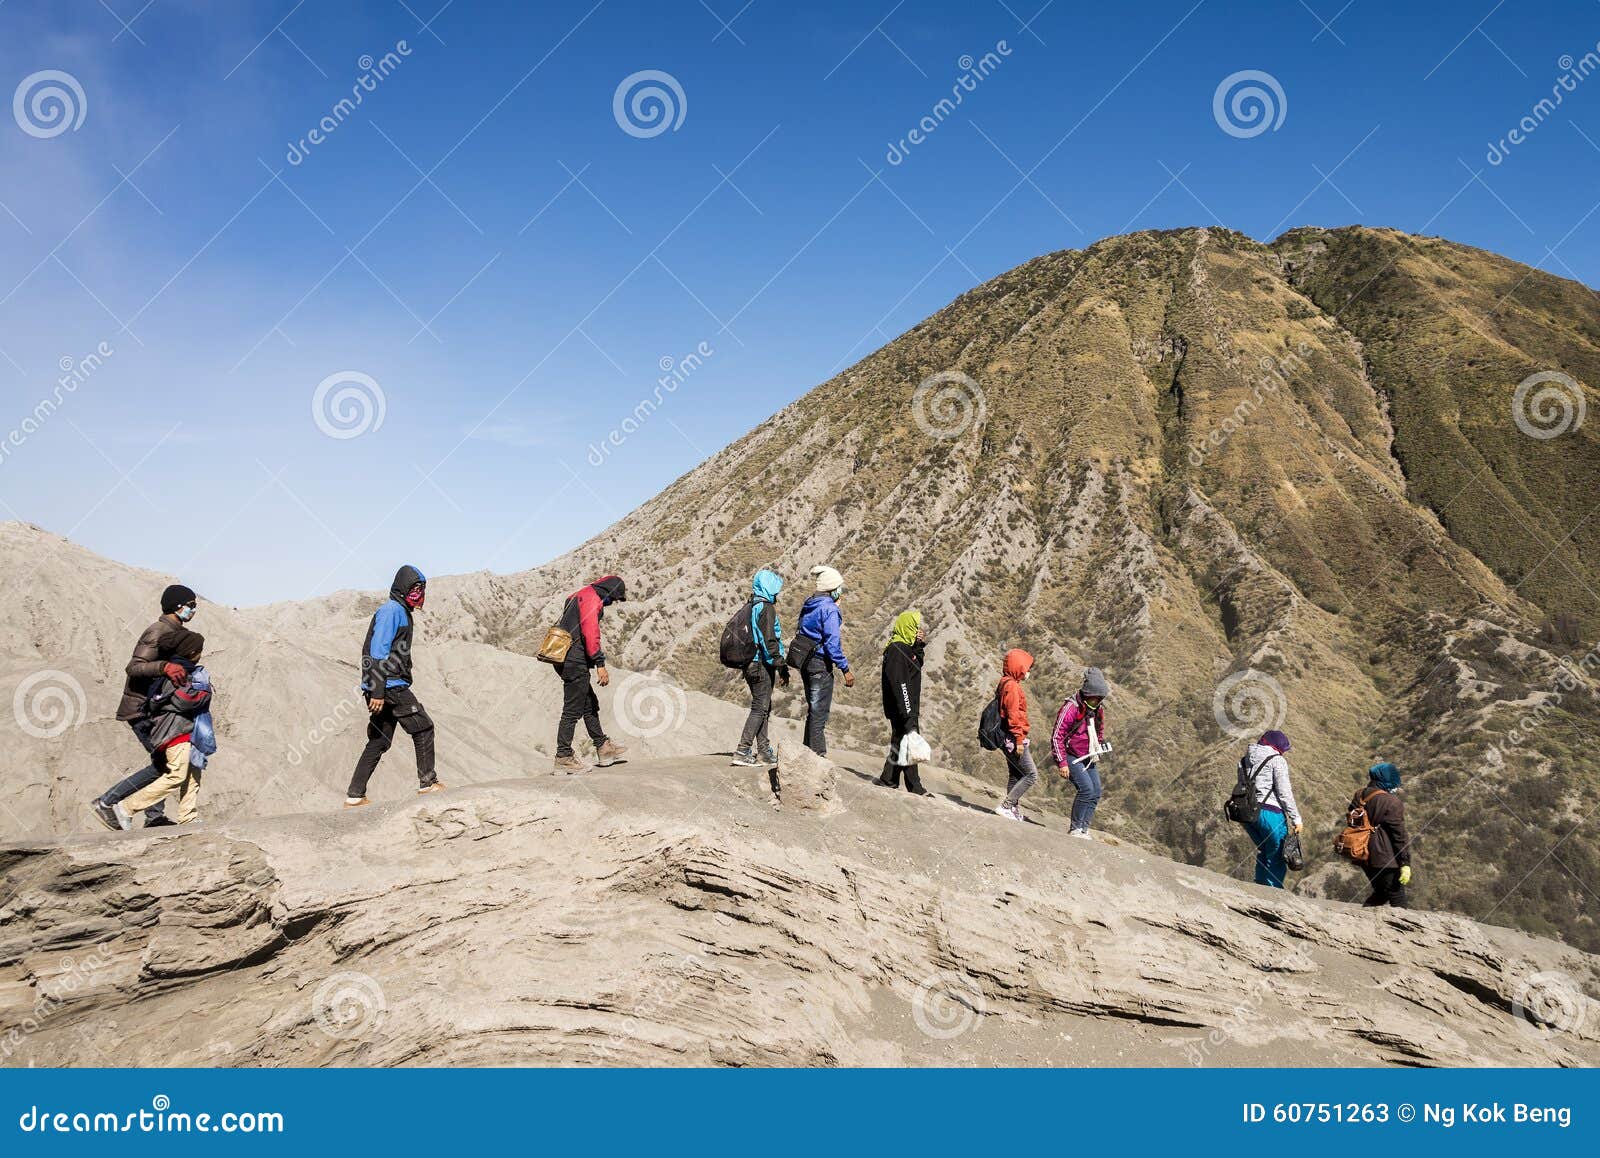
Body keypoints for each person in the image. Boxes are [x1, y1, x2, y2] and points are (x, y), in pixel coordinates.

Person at [89, 583, 199, 830]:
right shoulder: (157, 631)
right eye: (191, 605)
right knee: (168, 765)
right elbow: (134, 668)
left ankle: (153, 817)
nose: (194, 610)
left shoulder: (173, 630)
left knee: (164, 764)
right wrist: (164, 667)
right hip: (141, 709)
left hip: (154, 709)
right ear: (177, 606)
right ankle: (107, 803)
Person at [345, 565, 445, 807]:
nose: (418, 594)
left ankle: (355, 795)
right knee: (423, 727)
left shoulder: (400, 610)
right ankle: (428, 783)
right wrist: (377, 691)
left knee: (380, 740)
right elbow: (378, 652)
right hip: (389, 685)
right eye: (414, 588)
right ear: (402, 588)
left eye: (421, 589)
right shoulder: (392, 611)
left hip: (384, 684)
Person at [117, 631, 211, 827]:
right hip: (174, 731)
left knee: (194, 771)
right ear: (192, 652)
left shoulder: (189, 671)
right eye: (199, 651)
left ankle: (188, 816)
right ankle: (127, 807)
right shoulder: (176, 675)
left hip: (188, 730)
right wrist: (204, 694)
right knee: (176, 773)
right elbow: (183, 701)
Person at [553, 574, 630, 773]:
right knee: (571, 712)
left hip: (565, 659)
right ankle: (563, 757)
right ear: (609, 592)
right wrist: (599, 663)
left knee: (589, 705)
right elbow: (590, 633)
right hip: (575, 661)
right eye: (612, 599)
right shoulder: (592, 600)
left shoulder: (576, 595)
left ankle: (603, 747)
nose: (610, 603)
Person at [795, 565, 853, 756]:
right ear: (832, 589)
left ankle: (806, 753)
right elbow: (832, 644)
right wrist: (845, 669)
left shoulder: (810, 602)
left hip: (805, 662)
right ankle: (818, 756)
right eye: (839, 587)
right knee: (819, 714)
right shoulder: (829, 609)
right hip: (820, 665)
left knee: (813, 711)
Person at [732, 569, 786, 767]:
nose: (777, 593)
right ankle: (743, 750)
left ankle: (763, 750)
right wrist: (781, 665)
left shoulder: (751, 604)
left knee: (763, 707)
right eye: (775, 589)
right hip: (761, 664)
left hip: (750, 664)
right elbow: (769, 641)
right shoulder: (766, 608)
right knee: (759, 708)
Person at [877, 609, 932, 796]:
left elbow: (917, 664)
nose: (918, 629)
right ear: (906, 626)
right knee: (909, 742)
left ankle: (889, 778)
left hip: (908, 705)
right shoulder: (896, 649)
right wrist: (908, 712)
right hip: (903, 706)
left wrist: (919, 645)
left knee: (900, 741)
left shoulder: (906, 648)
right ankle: (915, 787)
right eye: (915, 626)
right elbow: (900, 683)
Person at [1051, 666, 1110, 838]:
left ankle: (1084, 828)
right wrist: (1062, 763)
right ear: (1086, 694)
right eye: (1093, 699)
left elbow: (1099, 730)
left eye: (1099, 699)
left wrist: (1097, 745)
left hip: (1087, 755)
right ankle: (1075, 828)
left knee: (1096, 791)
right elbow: (1057, 736)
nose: (1096, 703)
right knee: (1086, 789)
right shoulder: (1070, 708)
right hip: (1070, 755)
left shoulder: (1097, 709)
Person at [1241, 729, 1301, 888]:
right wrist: (1296, 818)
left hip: (1247, 813)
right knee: (1277, 853)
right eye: (1283, 750)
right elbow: (1284, 792)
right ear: (1276, 748)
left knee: (1265, 849)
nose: (1283, 753)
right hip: (1270, 812)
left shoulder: (1243, 760)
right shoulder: (1277, 760)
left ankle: (1260, 887)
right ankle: (1272, 892)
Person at [1358, 761, 1412, 907]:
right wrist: (1405, 863)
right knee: (1396, 895)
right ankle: (1404, 928)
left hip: (1361, 852)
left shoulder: (1360, 795)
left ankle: (1364, 919)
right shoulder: (1392, 802)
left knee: (1381, 892)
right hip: (1383, 857)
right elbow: (1399, 835)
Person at [993, 648, 1036, 821]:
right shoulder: (1011, 686)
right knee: (1031, 774)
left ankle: (1012, 809)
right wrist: (1019, 739)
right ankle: (1006, 806)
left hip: (1007, 736)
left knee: (1016, 774)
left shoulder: (1005, 682)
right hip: (1013, 738)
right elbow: (1013, 715)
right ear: (1018, 667)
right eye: (1026, 668)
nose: (1027, 672)